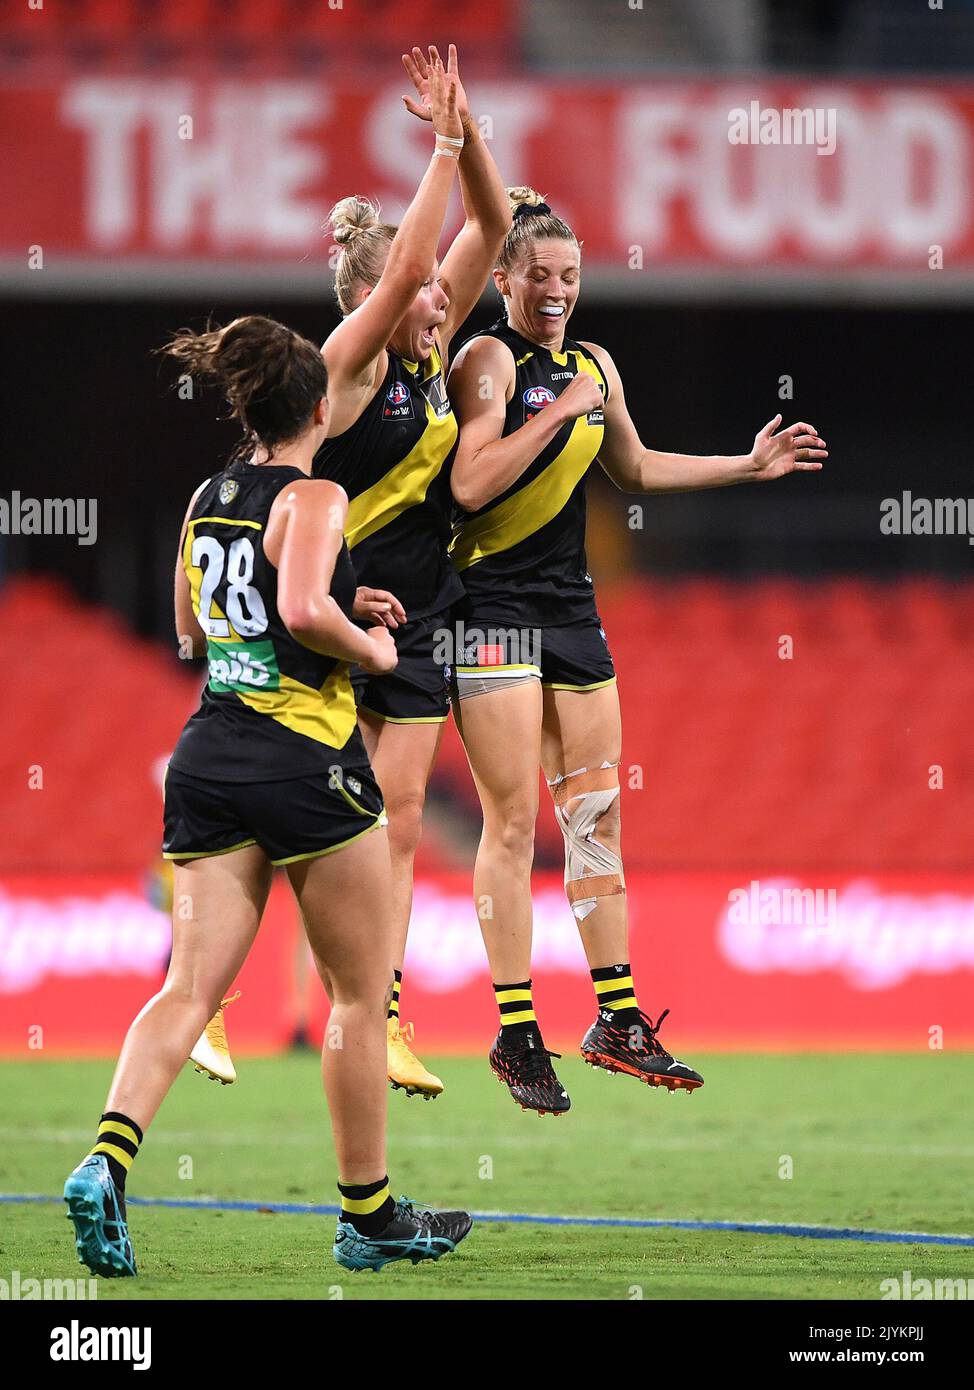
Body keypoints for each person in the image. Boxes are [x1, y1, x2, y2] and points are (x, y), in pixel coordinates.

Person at [63, 314, 472, 1277]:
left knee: (186, 988)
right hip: (305, 763)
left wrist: (336, 599)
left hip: (209, 754)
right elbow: (295, 607)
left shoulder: (209, 495)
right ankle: (369, 1214)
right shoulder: (318, 491)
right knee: (360, 997)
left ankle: (106, 1158)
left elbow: (191, 627)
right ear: (322, 406)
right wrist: (370, 644)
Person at [446, 189, 829, 1115]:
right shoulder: (487, 358)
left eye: (569, 276)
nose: (555, 290)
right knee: (509, 824)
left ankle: (616, 1019)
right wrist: (562, 407)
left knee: (597, 817)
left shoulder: (596, 365)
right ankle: (514, 1029)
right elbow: (468, 482)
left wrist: (744, 466)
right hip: (490, 603)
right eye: (537, 274)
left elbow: (638, 467)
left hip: (571, 609)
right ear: (502, 278)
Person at [312, 44, 511, 1098]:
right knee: (298, 811)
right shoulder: (346, 369)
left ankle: (380, 1017)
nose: (443, 299)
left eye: (441, 292)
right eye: (424, 291)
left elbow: (490, 226)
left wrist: (468, 131)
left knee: (391, 818)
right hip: (329, 609)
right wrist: (436, 144)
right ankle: (208, 996)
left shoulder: (429, 357)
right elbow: (410, 270)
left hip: (418, 614)